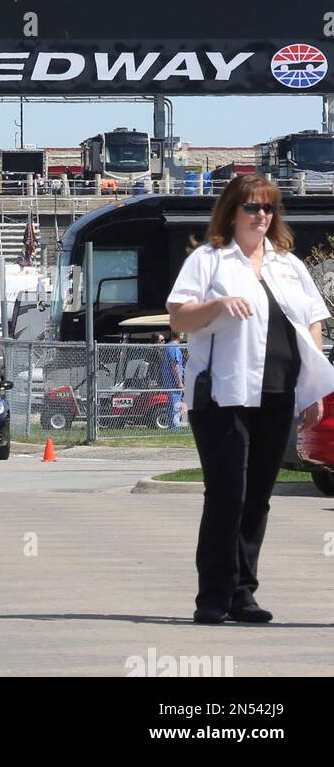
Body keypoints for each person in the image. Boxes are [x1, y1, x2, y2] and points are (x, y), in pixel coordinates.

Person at [166, 175, 334, 624]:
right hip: (224, 394)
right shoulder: (210, 260)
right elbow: (179, 318)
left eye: (268, 209)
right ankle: (213, 596)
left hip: (279, 393)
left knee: (258, 496)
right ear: (232, 212)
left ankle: (244, 593)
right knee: (227, 494)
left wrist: (312, 385)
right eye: (252, 208)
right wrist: (219, 306)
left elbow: (313, 321)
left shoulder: (288, 264)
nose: (262, 217)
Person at [160, 330, 186, 429]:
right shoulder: (174, 347)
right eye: (182, 332)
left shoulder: (169, 346)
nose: (184, 333)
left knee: (173, 405)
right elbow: (175, 365)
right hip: (173, 382)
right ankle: (175, 427)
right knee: (175, 406)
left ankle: (175, 425)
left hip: (169, 381)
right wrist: (179, 381)